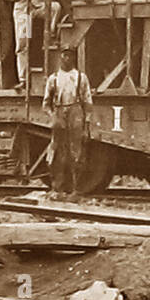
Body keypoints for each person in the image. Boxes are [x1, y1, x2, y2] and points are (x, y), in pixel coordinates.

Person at [5, 0, 60, 90]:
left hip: (38, 7)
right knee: (23, 46)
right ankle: (23, 79)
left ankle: (53, 33)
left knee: (55, 8)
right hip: (24, 12)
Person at [42, 47, 92, 193]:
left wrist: (86, 124)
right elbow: (46, 104)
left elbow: (87, 101)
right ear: (60, 58)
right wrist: (53, 117)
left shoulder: (81, 77)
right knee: (57, 152)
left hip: (76, 113)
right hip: (59, 111)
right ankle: (57, 187)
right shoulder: (53, 78)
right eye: (64, 56)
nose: (67, 59)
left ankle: (75, 188)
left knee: (76, 152)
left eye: (70, 56)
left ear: (74, 58)